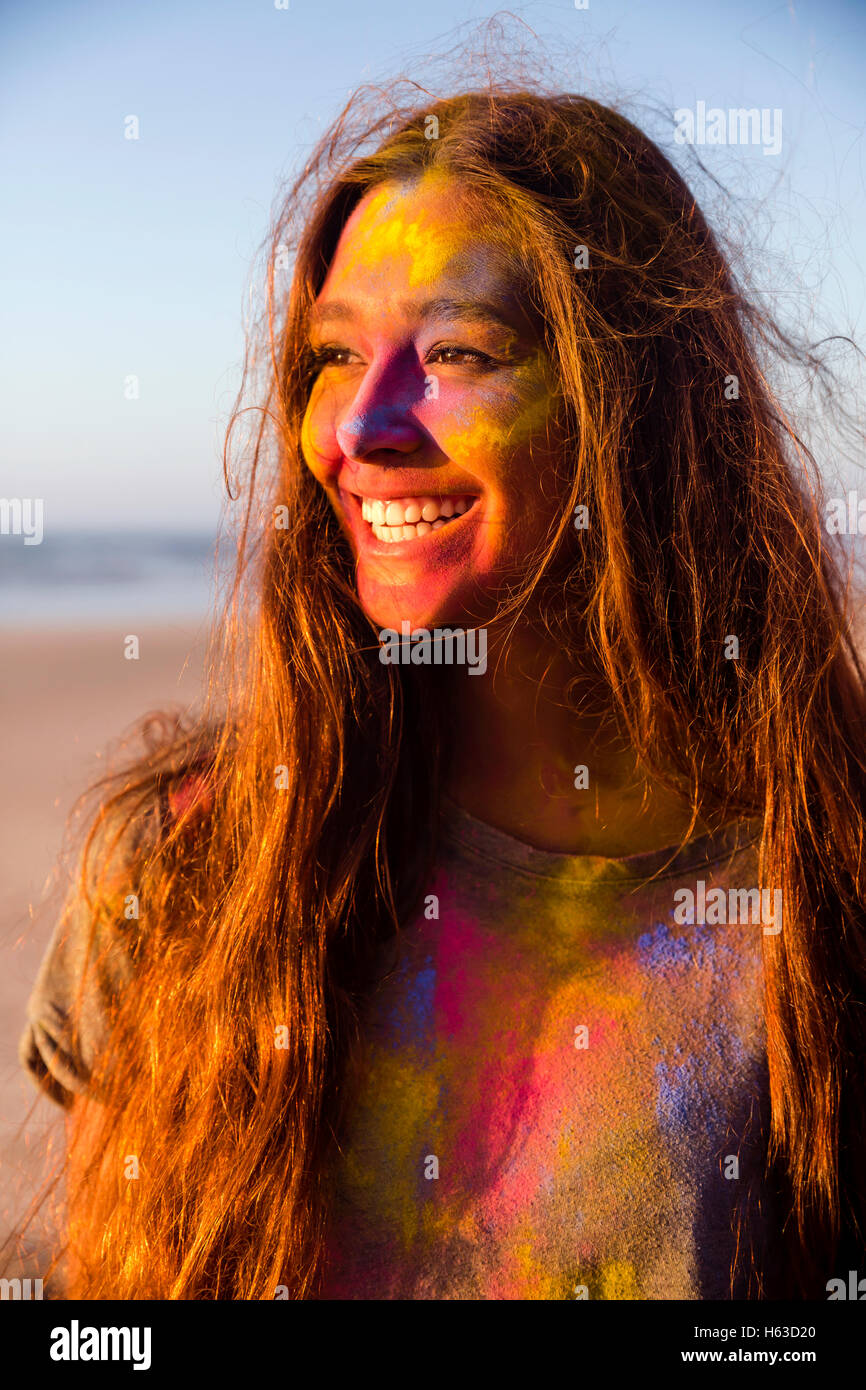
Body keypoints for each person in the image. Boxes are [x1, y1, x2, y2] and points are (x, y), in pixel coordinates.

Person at [20, 84, 866, 1300]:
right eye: (332, 355)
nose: (362, 424)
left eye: (459, 351)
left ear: (629, 395)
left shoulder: (821, 892)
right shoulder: (193, 863)